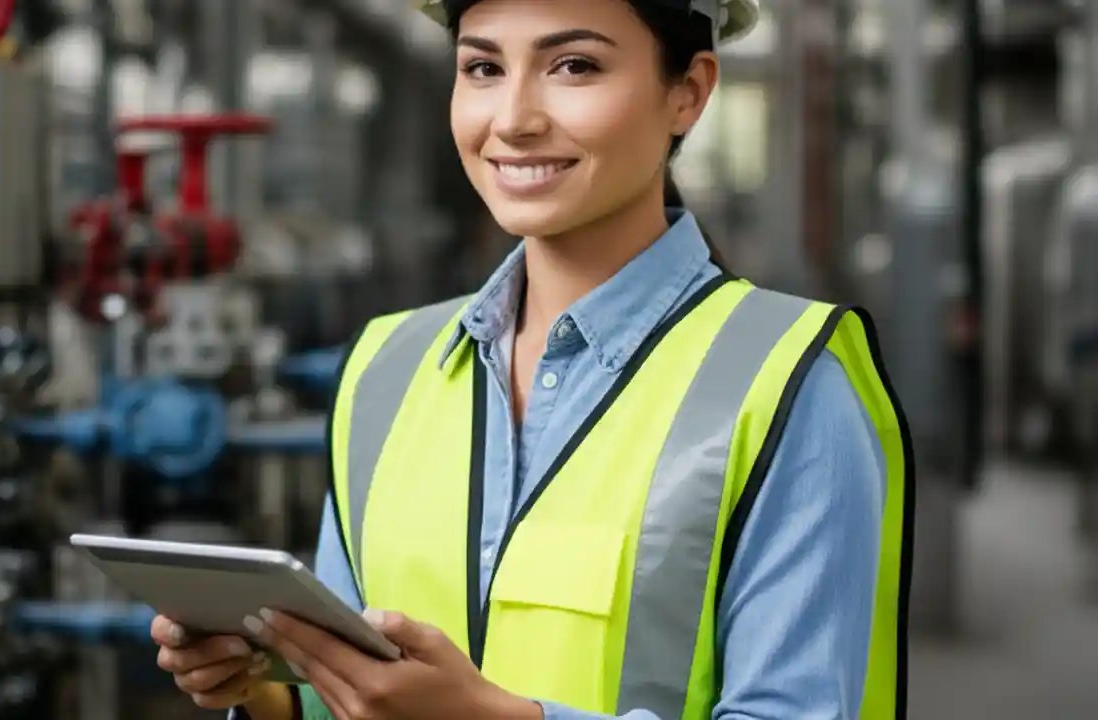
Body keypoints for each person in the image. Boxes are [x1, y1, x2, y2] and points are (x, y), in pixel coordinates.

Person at [150, 1, 913, 718]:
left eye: (574, 66)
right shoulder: (387, 369)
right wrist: (272, 694)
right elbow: (353, 691)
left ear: (687, 93)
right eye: (483, 68)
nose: (513, 119)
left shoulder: (788, 387)